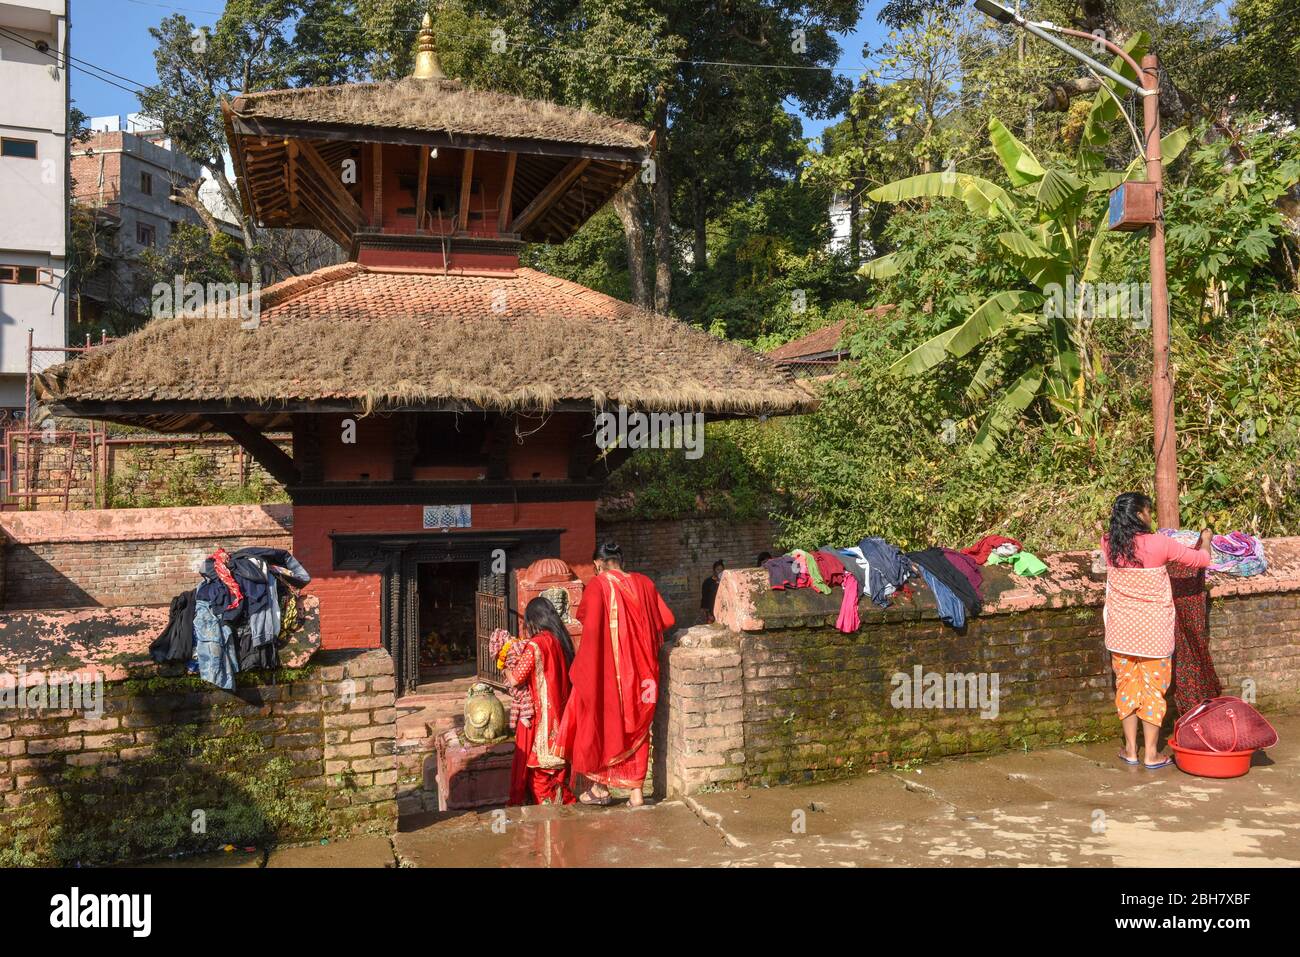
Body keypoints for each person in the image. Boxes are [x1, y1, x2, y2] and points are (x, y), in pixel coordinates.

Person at [557, 541, 675, 807]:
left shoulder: (598, 586)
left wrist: (584, 669)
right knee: (639, 730)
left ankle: (600, 788)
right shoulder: (644, 583)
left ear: (598, 563)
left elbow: (589, 628)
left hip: (612, 674)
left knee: (604, 724)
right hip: (644, 674)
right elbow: (666, 619)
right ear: (620, 560)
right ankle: (636, 794)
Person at [1101, 492, 1211, 770]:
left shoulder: (1108, 543)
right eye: (1148, 511)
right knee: (1153, 691)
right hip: (1154, 634)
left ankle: (1130, 749)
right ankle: (1151, 753)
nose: (1151, 516)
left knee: (1126, 686)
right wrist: (1206, 541)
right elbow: (1201, 560)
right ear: (1139, 515)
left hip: (1120, 632)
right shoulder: (1160, 543)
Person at [503, 597, 577, 806]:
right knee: (559, 778)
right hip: (562, 719)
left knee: (541, 778)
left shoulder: (537, 644)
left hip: (544, 721)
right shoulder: (560, 640)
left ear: (532, 620)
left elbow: (516, 678)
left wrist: (504, 665)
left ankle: (548, 831)